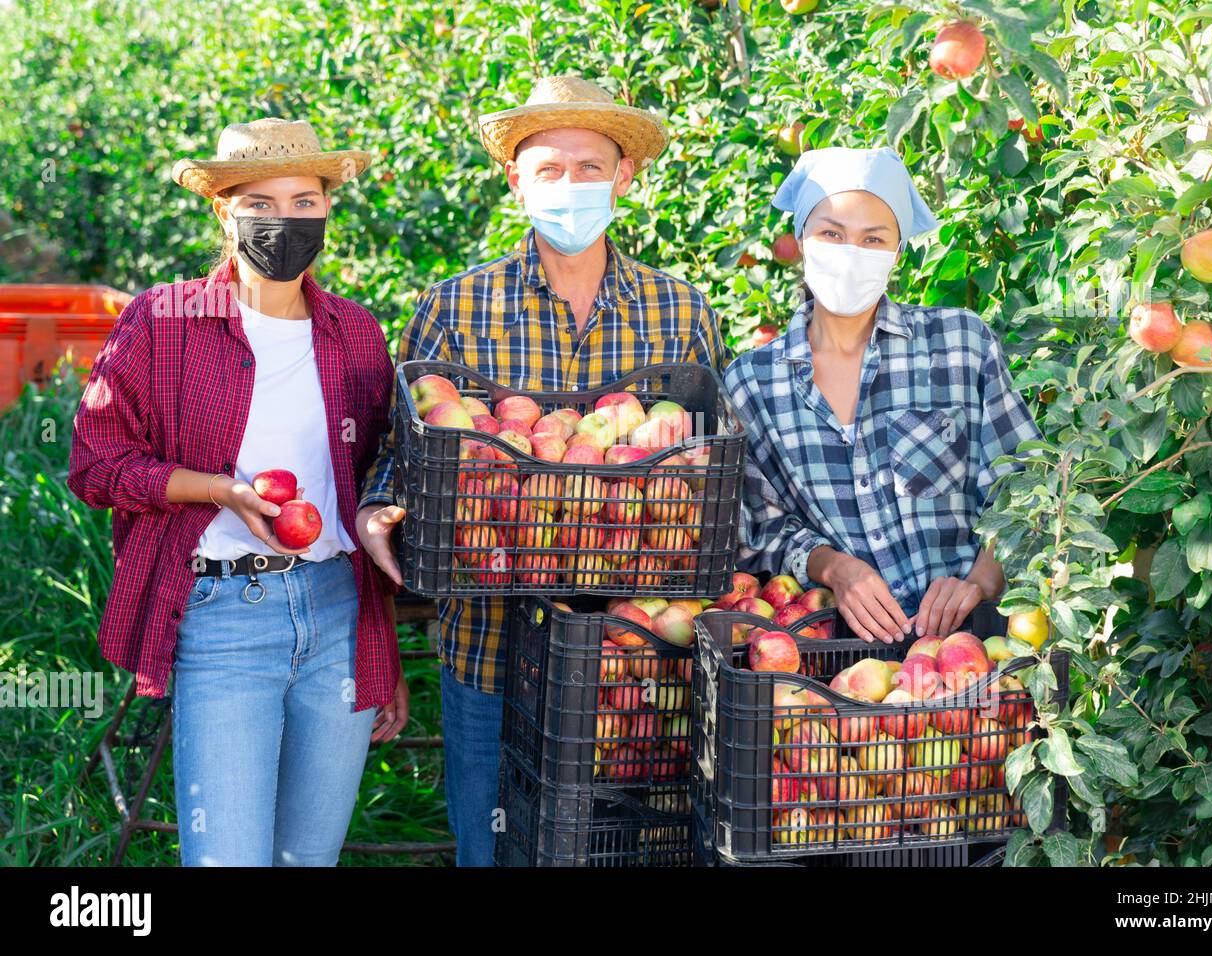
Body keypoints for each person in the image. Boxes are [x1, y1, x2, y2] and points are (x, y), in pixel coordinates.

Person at [355, 75, 730, 866]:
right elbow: (403, 446)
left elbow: (709, 458)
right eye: (549, 169)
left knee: (630, 849)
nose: (571, 186)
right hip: (491, 645)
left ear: (625, 178)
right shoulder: (457, 307)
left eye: (590, 168)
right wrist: (379, 510)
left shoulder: (680, 309)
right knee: (490, 846)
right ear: (514, 179)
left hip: (636, 650)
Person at [67, 117, 409, 866]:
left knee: (307, 858)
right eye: (259, 202)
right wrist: (216, 491)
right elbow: (96, 465)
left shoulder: (356, 334)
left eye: (304, 201)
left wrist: (380, 651)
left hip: (338, 613)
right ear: (223, 210)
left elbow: (377, 478)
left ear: (326, 209)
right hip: (223, 619)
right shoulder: (164, 321)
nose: (284, 220)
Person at [724, 147, 1041, 645]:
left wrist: (981, 579)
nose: (851, 252)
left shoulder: (959, 345)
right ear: (802, 239)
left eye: (873, 239)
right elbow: (757, 530)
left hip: (972, 646)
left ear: (896, 252)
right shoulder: (754, 384)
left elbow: (1026, 485)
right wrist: (832, 567)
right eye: (831, 233)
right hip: (835, 659)